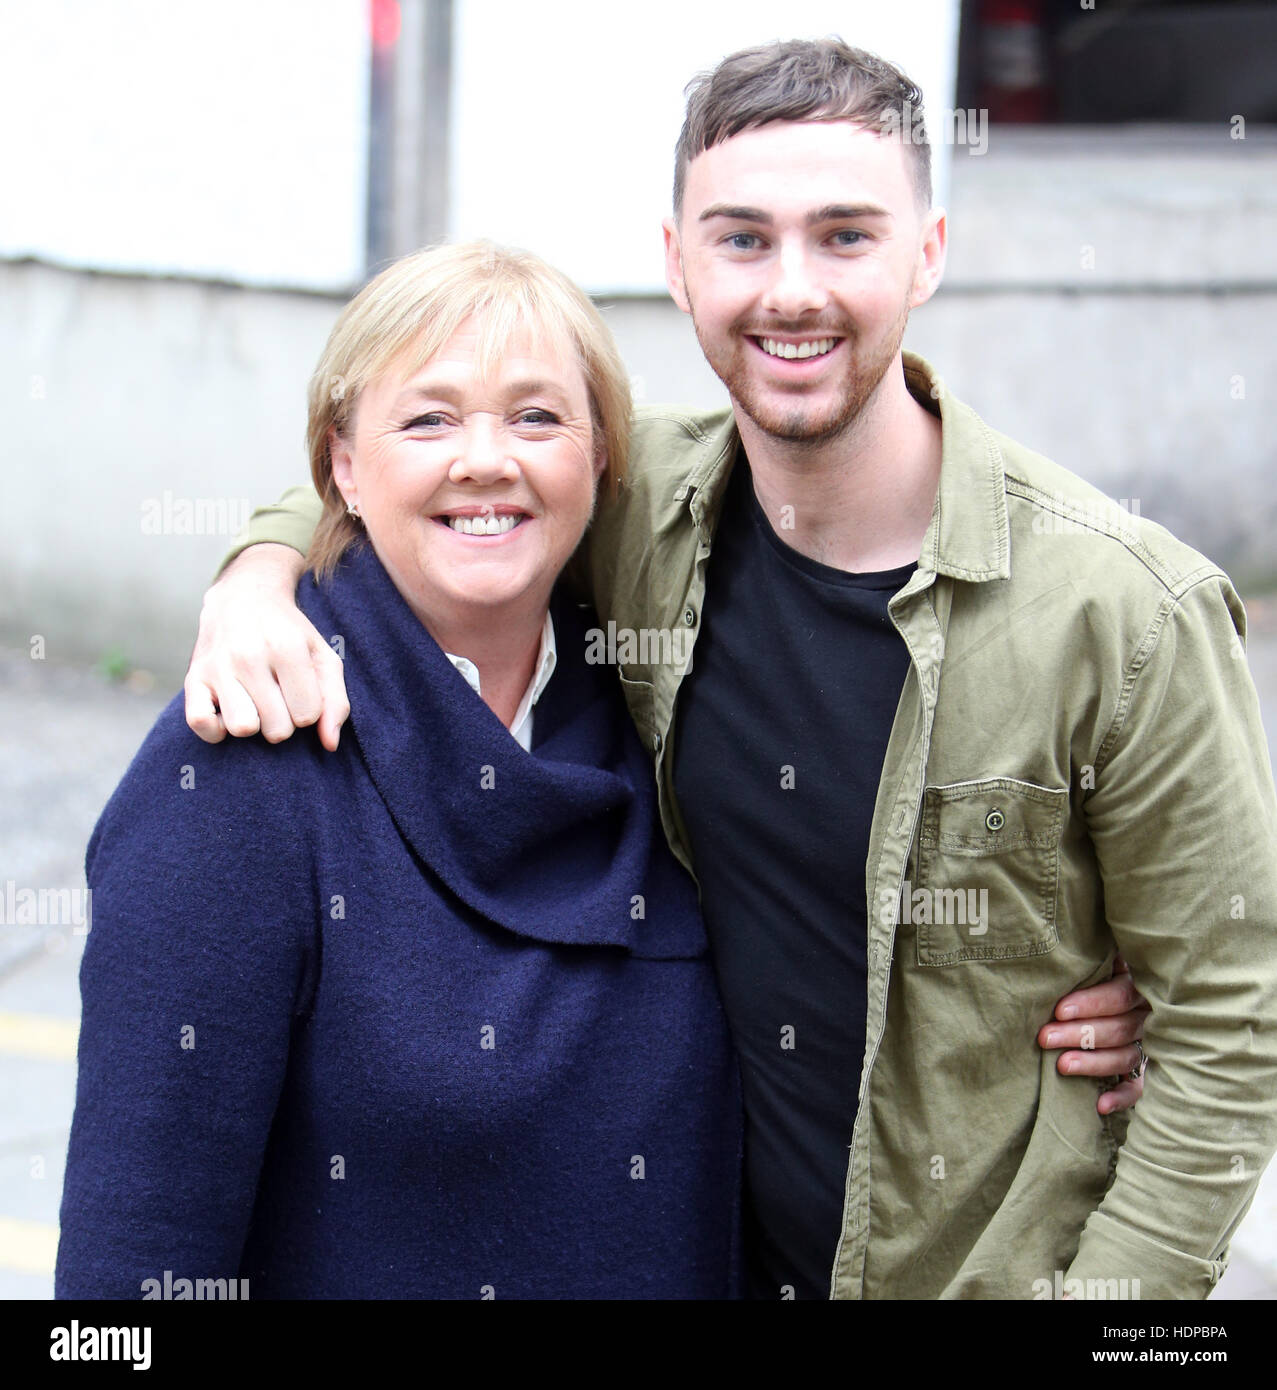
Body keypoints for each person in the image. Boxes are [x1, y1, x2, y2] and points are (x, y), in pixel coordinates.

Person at [183, 40, 1277, 1300]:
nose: (790, 290)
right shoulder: (636, 503)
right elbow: (417, 477)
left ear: (927, 251)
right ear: (676, 262)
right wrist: (257, 577)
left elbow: (1226, 1025)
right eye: (742, 239)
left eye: (845, 236)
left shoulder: (1122, 612)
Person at [55, 241, 744, 1300]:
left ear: (603, 454)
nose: (484, 459)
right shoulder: (240, 771)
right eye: (427, 419)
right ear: (340, 464)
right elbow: (129, 1273)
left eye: (535, 416)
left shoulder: (665, 712)